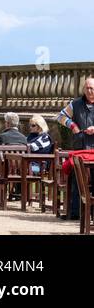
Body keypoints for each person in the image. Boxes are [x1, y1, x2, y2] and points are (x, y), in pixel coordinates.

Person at [56, 77, 94, 219]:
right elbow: (60, 116)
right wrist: (72, 125)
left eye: (92, 88)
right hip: (80, 147)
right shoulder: (75, 104)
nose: (89, 91)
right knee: (77, 180)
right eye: (87, 88)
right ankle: (75, 213)